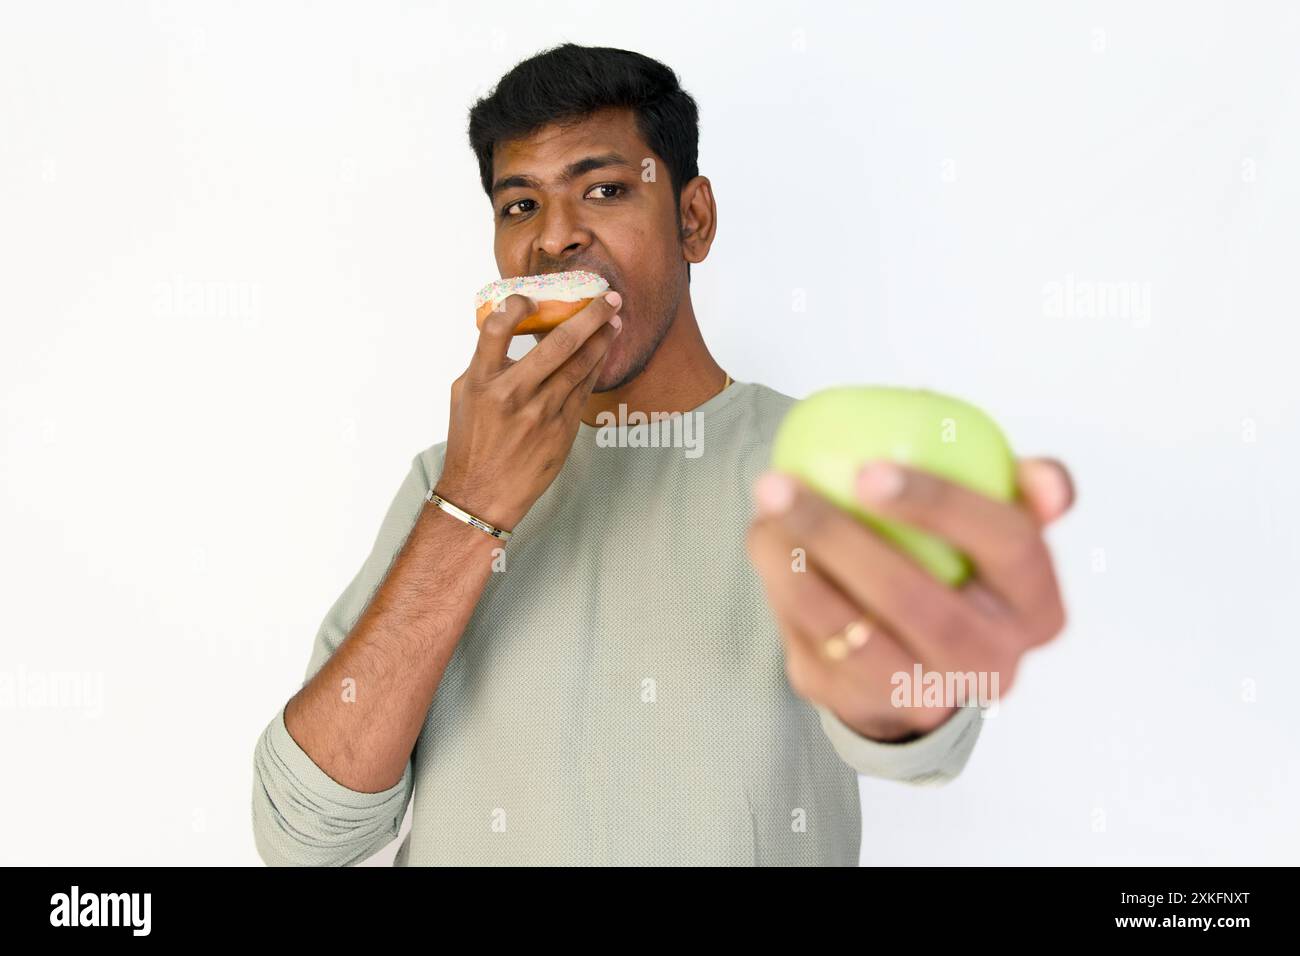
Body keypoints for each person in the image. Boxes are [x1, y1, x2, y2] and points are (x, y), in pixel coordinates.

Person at [251, 42, 1074, 866]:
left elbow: (916, 722)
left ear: (694, 219)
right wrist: (473, 506)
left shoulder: (813, 472)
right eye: (520, 207)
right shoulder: (445, 481)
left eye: (604, 191)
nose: (556, 239)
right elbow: (303, 836)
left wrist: (899, 698)